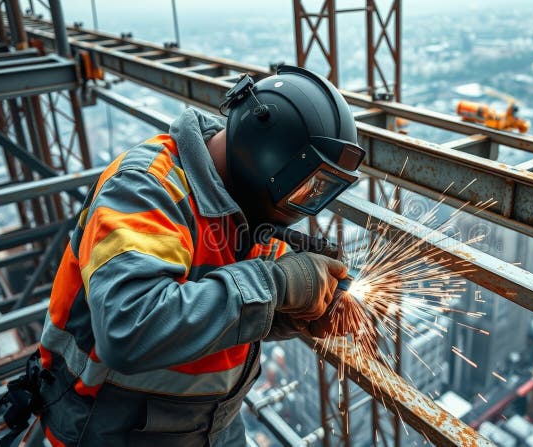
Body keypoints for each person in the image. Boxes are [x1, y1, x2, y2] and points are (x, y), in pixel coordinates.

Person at [37, 65, 365, 446]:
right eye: (304, 188)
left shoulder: (248, 208)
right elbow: (130, 328)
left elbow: (219, 314)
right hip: (111, 431)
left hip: (214, 428)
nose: (307, 204)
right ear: (266, 157)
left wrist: (301, 314)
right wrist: (280, 283)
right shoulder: (146, 188)